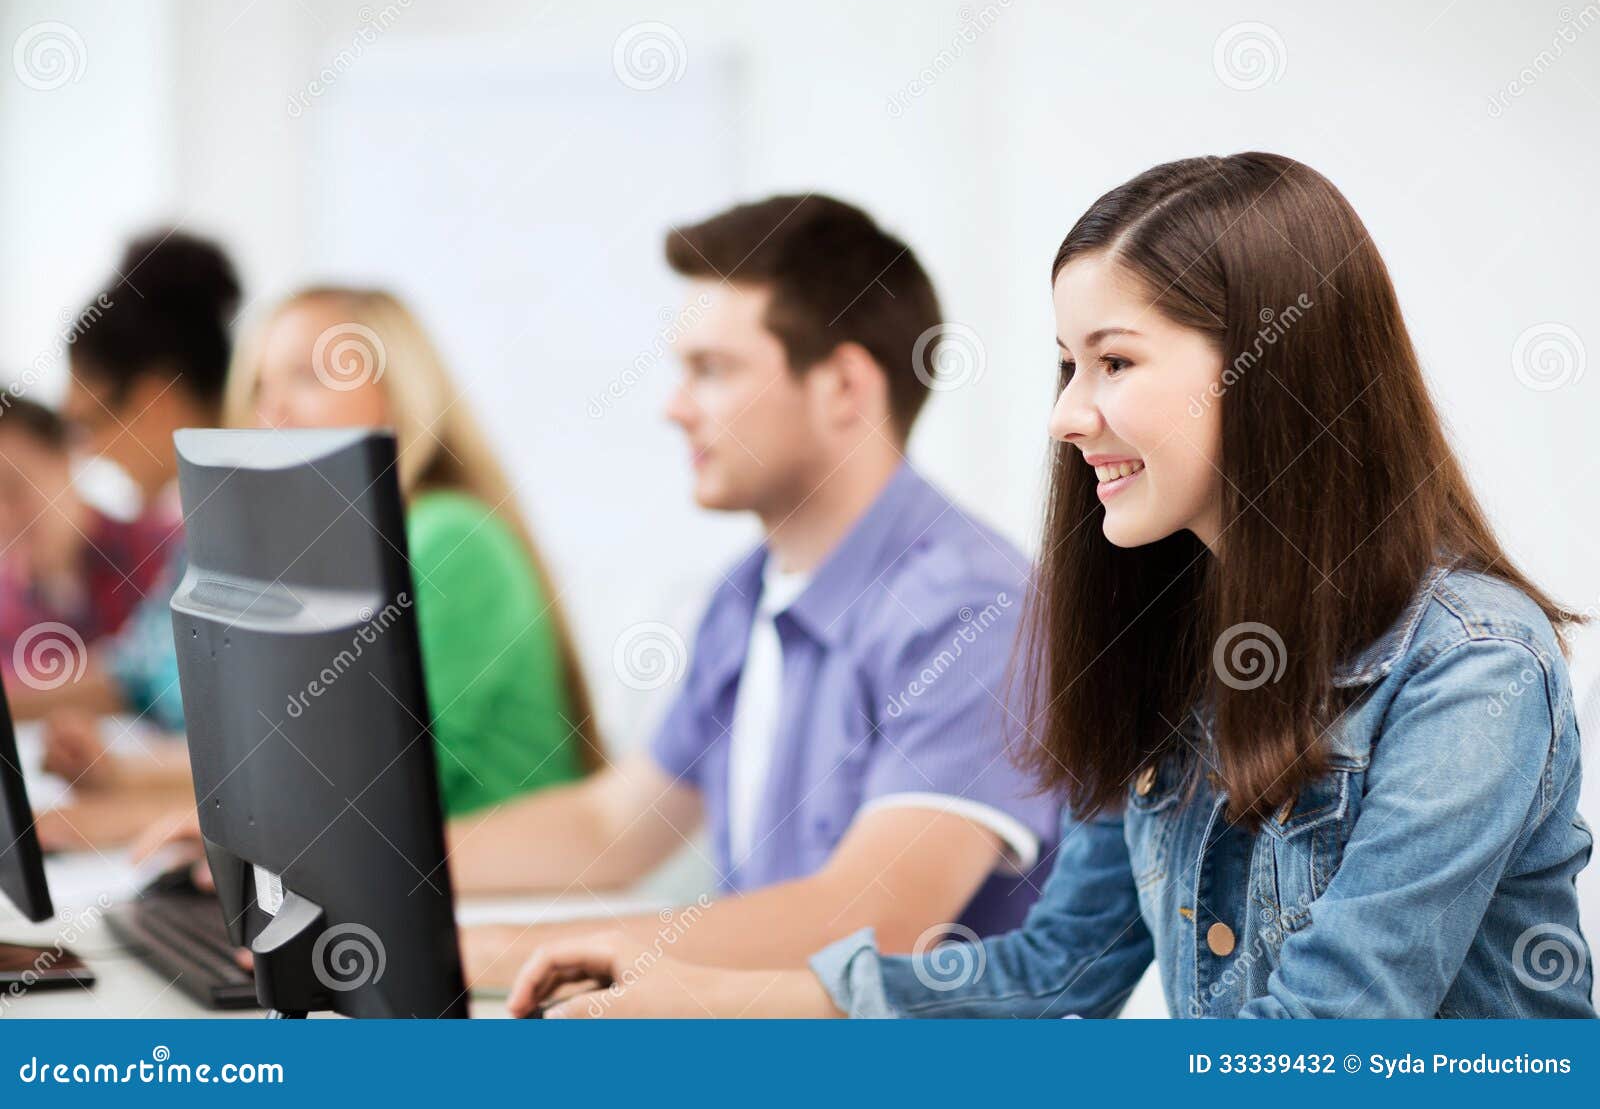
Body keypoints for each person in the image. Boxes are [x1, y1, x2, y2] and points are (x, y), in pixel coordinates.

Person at [504, 154, 1596, 1020]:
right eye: (1065, 364)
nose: (1066, 414)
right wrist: (684, 990)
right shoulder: (1166, 639)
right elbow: (1055, 966)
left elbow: (1319, 1043)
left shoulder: (1472, 664)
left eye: (1113, 362)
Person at [457, 195, 1059, 989]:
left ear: (844, 386)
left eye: (711, 369)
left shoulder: (973, 609)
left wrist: (469, 953)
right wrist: (361, 874)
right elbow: (617, 824)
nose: (675, 407)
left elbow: (874, 918)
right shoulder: (746, 594)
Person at [131, 286, 597, 879]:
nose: (271, 411)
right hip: (396, 887)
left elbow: (360, 775)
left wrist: (108, 816)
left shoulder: (448, 537)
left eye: (307, 376)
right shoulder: (333, 562)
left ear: (399, 394)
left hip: (508, 902)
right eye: (258, 387)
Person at [15, 232, 240, 850]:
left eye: (87, 425)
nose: (85, 453)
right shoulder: (199, 538)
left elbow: (289, 766)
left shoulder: (265, 538)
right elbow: (132, 671)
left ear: (153, 400)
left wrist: (109, 819)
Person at [0, 395, 173, 672]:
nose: (4, 516)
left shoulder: (167, 549)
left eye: (12, 487)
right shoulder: (7, 616)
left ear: (65, 456)